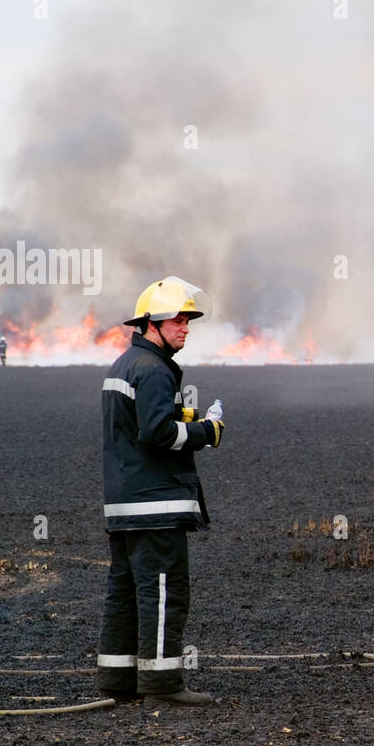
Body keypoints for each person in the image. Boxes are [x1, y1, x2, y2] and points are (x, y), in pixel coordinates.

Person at [97, 276, 226, 707]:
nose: (186, 327)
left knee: (126, 591)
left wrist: (179, 416)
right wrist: (205, 431)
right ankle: (162, 684)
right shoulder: (153, 369)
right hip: (157, 505)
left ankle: (117, 680)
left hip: (125, 504)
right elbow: (155, 432)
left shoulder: (124, 365)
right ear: (152, 323)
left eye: (188, 320)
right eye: (178, 320)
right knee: (164, 591)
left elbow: (138, 425)